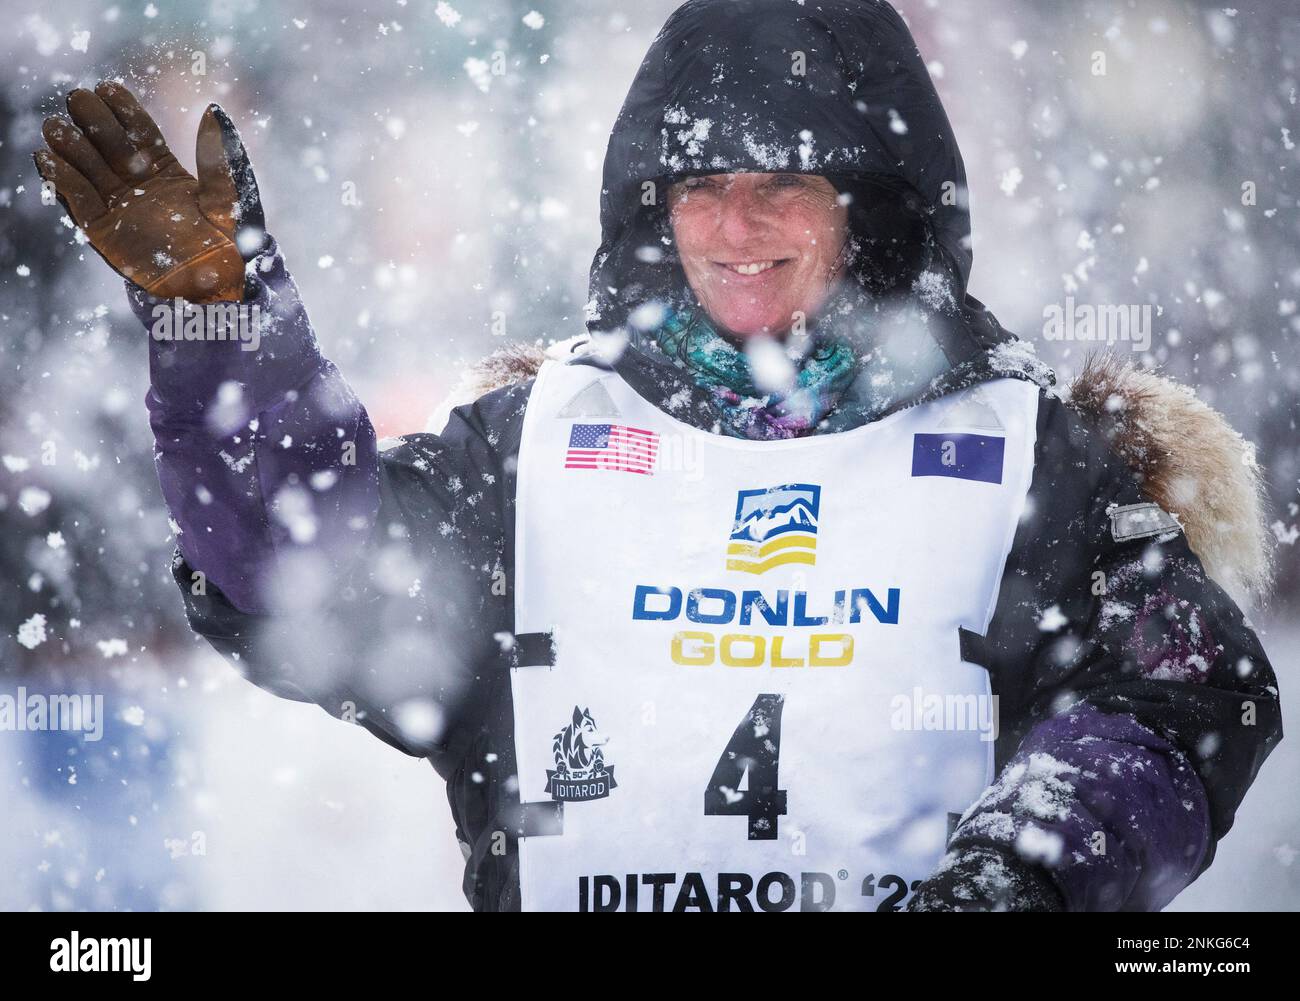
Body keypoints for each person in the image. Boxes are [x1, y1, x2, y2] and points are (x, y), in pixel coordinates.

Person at [33, 0, 1281, 912]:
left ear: (872, 205)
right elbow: (299, 570)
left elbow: (1180, 708)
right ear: (649, 205)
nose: (734, 226)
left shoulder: (1017, 449)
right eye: (698, 184)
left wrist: (1016, 877)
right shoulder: (535, 449)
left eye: (781, 182)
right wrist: (222, 329)